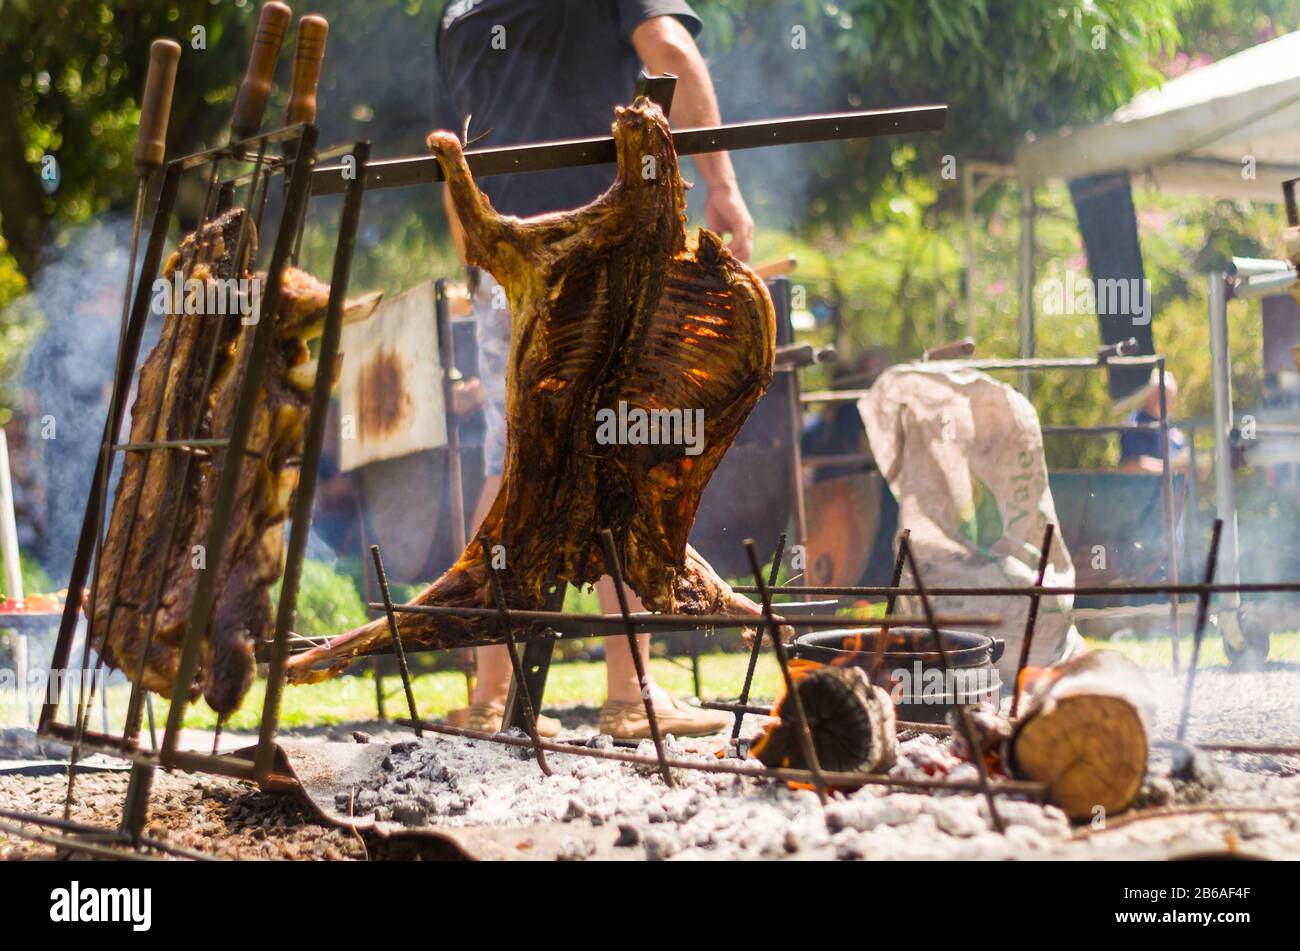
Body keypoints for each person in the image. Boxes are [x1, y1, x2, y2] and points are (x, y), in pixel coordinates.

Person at [435, 0, 752, 739]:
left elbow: (449, 151)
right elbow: (668, 45)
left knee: (511, 456)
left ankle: (490, 694)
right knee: (620, 451)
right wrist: (724, 187)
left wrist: (482, 267)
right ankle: (631, 691)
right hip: (602, 244)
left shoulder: (456, 10)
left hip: (510, 260)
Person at [1118, 370, 1186, 474]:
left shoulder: (1174, 429)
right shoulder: (1134, 424)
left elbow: (1185, 459)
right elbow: (1132, 464)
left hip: (1178, 488)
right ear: (1149, 395)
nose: (1166, 401)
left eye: (1170, 397)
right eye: (1161, 395)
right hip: (1145, 488)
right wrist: (1170, 468)